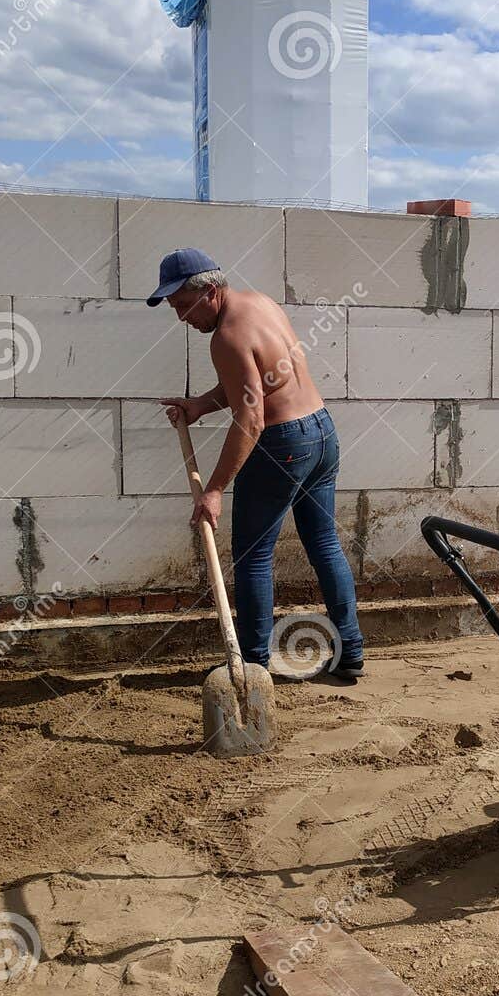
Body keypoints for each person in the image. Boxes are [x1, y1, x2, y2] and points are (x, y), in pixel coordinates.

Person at [151, 248, 364, 677]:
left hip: (283, 445)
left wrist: (213, 490)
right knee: (324, 544)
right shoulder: (260, 303)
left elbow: (251, 417)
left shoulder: (225, 337)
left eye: (183, 305)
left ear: (209, 291)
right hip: (321, 433)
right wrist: (199, 406)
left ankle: (252, 664)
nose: (181, 319)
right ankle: (352, 653)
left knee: (252, 556)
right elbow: (256, 383)